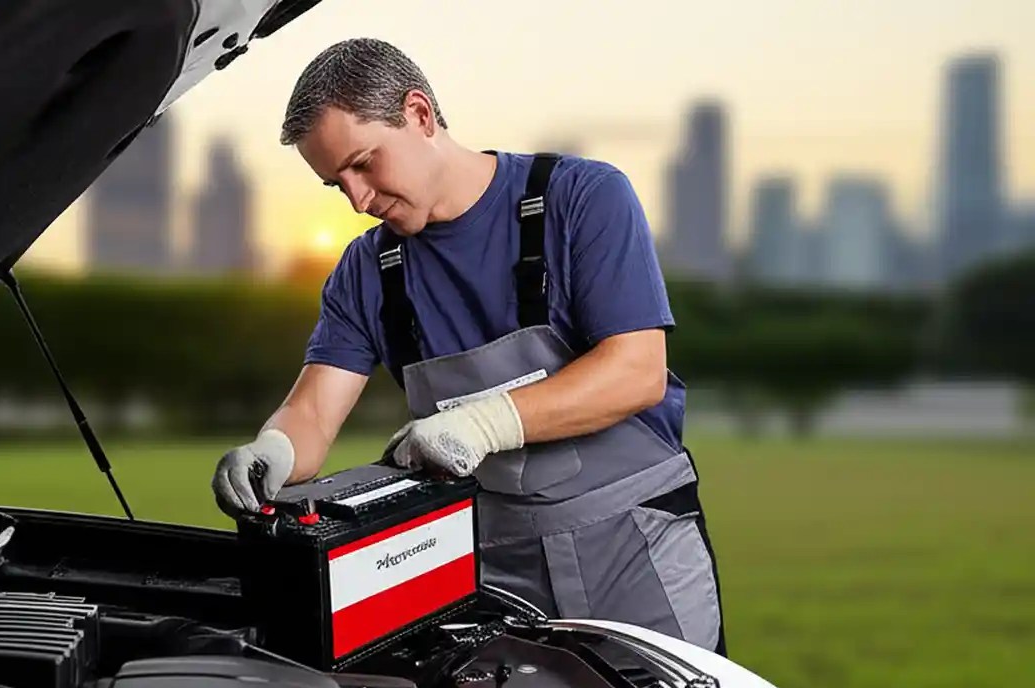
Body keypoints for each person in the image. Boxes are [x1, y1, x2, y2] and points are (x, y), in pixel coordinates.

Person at [209, 38, 726, 655]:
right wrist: (274, 449)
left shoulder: (582, 198)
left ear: (420, 115)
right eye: (335, 184)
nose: (359, 200)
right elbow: (315, 412)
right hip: (492, 575)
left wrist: (481, 423)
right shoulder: (366, 270)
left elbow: (636, 371)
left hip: (636, 547)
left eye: (365, 163)